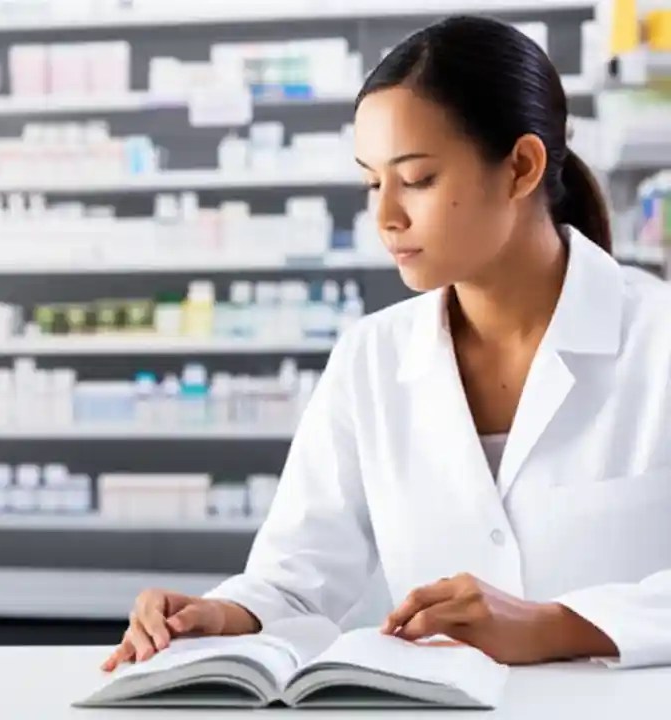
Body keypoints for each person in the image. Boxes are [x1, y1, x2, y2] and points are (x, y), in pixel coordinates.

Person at [104, 14, 671, 672]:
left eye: (419, 179)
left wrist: (556, 625)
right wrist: (222, 614)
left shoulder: (658, 339)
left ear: (520, 167)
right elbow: (297, 576)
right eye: (374, 182)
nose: (386, 216)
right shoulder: (370, 358)